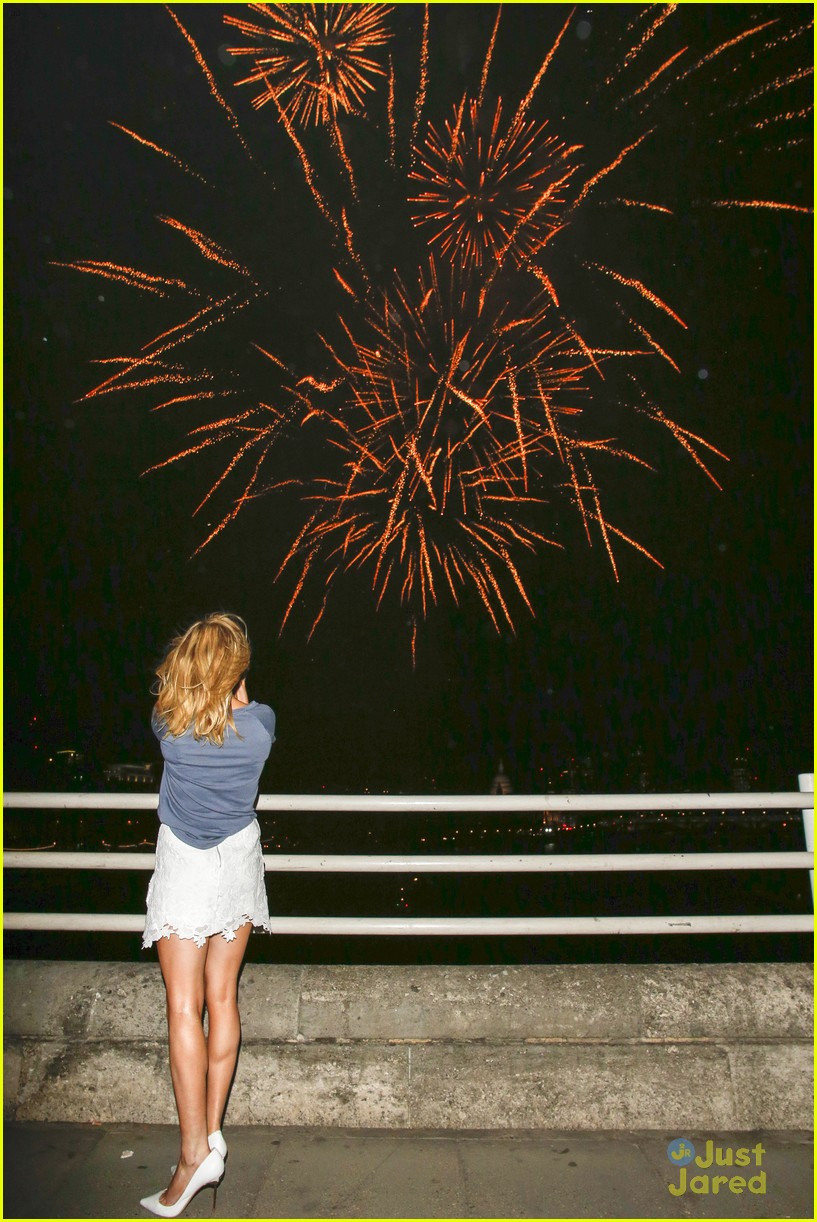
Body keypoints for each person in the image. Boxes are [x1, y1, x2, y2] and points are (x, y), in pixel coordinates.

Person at [139, 613, 275, 1217]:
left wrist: (200, 665)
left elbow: (176, 690)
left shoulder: (169, 728)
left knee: (181, 1007)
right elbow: (239, 707)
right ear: (237, 674)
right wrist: (237, 687)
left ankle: (194, 1153)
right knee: (223, 1000)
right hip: (238, 860)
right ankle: (212, 1134)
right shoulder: (263, 726)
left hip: (187, 867)